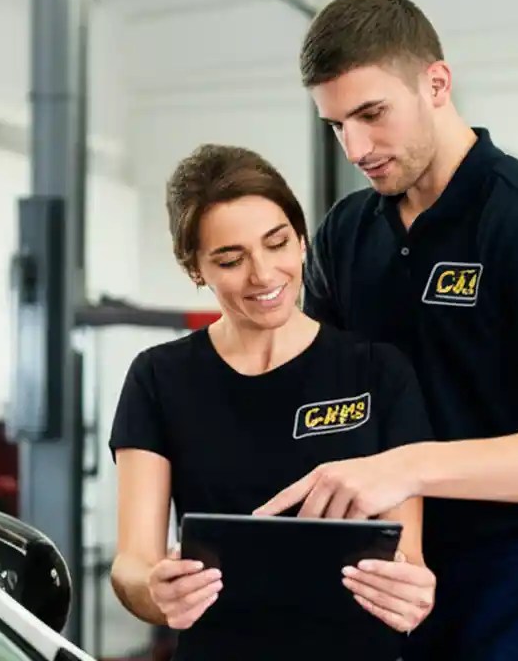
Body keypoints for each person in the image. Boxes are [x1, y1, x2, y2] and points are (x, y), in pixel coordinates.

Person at [251, 0, 518, 659]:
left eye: (372, 114)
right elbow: (322, 400)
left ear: (436, 83)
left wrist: (412, 468)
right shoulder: (347, 235)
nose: (357, 146)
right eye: (336, 125)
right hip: (392, 577)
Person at [108, 143, 438, 660]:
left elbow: (408, 556)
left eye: (277, 243)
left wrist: (411, 591)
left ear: (303, 240)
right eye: (230, 259)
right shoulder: (159, 377)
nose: (263, 275)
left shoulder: (378, 372)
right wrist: (156, 590)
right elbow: (132, 563)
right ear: (196, 269)